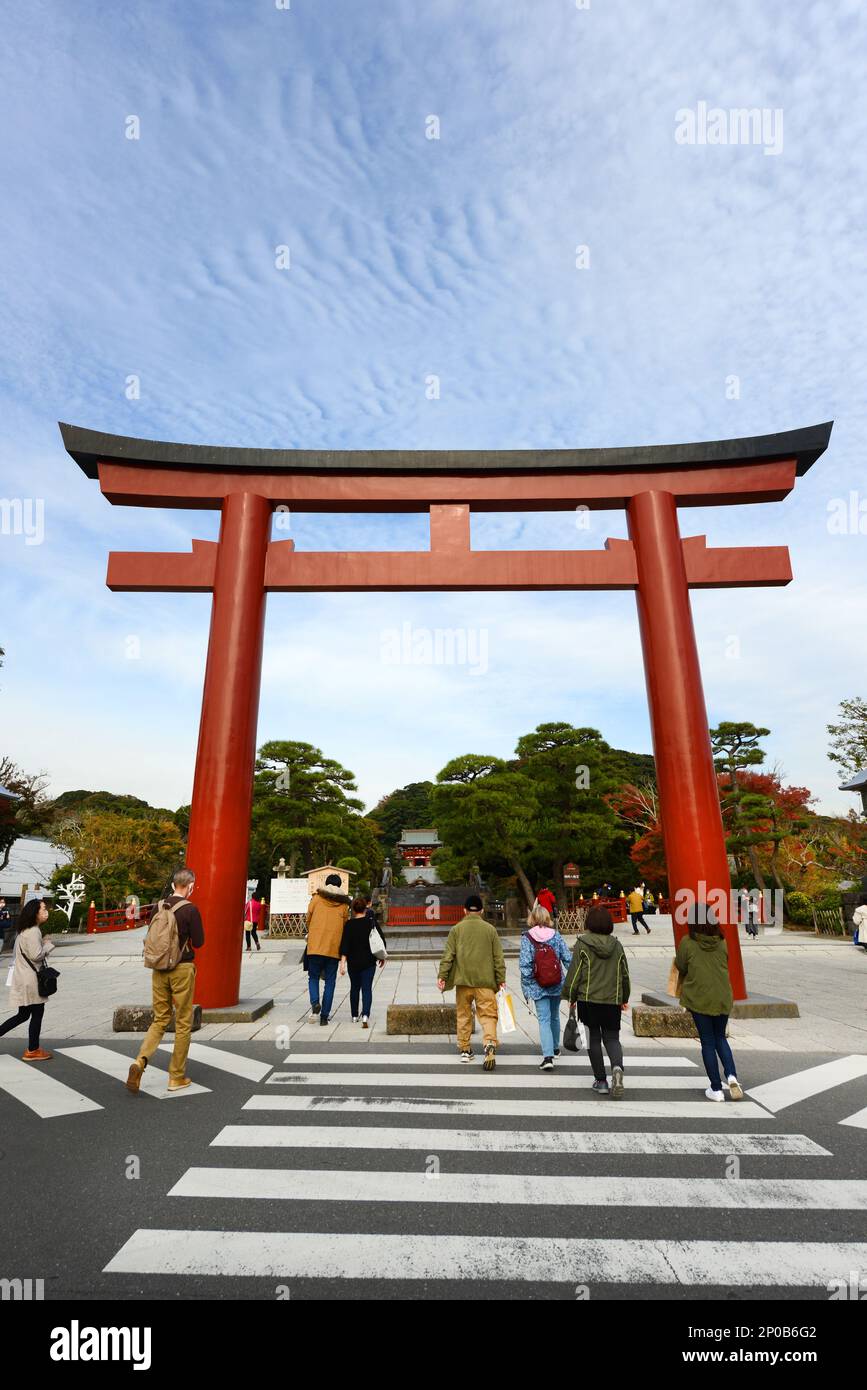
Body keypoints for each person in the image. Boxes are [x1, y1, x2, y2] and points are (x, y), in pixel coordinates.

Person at [126, 867, 204, 1094]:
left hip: (158, 969)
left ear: (172, 885)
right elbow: (199, 941)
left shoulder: (158, 907)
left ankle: (140, 1061)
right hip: (182, 968)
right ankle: (176, 1077)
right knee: (182, 1023)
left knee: (159, 1019)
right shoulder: (191, 909)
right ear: (191, 886)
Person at [675, 905, 743, 1102]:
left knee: (707, 1041)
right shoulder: (722, 942)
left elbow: (681, 965)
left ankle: (716, 1088)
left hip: (700, 998)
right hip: (722, 996)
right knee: (720, 1038)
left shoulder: (688, 943)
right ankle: (731, 1076)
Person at [563, 905, 630, 1098]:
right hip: (611, 999)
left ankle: (601, 1081)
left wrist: (571, 996)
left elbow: (575, 973)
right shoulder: (617, 946)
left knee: (593, 1039)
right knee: (612, 1038)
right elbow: (624, 974)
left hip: (588, 999)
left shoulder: (582, 944)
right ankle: (617, 1068)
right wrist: (624, 997)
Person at [437, 894, 506, 1070]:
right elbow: (498, 958)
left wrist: (442, 976)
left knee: (463, 1015)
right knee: (488, 1014)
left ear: (465, 910)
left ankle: (465, 1049)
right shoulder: (490, 929)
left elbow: (448, 956)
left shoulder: (456, 929)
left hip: (463, 981)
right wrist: (501, 979)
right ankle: (489, 1041)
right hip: (485, 981)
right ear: (482, 911)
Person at [0, 898, 55, 1060]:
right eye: (43, 909)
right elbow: (36, 955)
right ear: (35, 913)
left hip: (24, 978)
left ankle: (33, 1048)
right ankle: (33, 1050)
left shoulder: (25, 930)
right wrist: (48, 944)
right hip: (31, 981)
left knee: (23, 1015)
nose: (46, 912)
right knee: (37, 1013)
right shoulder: (33, 931)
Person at [519, 904, 572, 1070]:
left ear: (532, 919)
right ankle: (556, 1049)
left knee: (543, 1019)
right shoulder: (555, 935)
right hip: (556, 982)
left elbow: (525, 964)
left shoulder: (527, 937)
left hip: (537, 984)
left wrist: (528, 983)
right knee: (555, 1015)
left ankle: (548, 1057)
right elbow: (567, 958)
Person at [305, 872, 350, 1025]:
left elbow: (308, 919)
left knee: (313, 977)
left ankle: (315, 1003)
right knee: (330, 981)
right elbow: (345, 926)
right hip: (333, 947)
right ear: (339, 886)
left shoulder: (316, 898)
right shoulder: (344, 904)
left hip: (315, 946)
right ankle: (324, 1016)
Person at [339, 896, 386, 1026]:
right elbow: (380, 939)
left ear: (353, 910)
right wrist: (381, 957)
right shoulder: (371, 922)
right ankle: (365, 1015)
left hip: (353, 963)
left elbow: (345, 945)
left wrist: (342, 963)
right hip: (369, 962)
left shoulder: (349, 925)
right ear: (366, 908)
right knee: (367, 989)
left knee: (354, 988)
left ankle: (354, 1015)